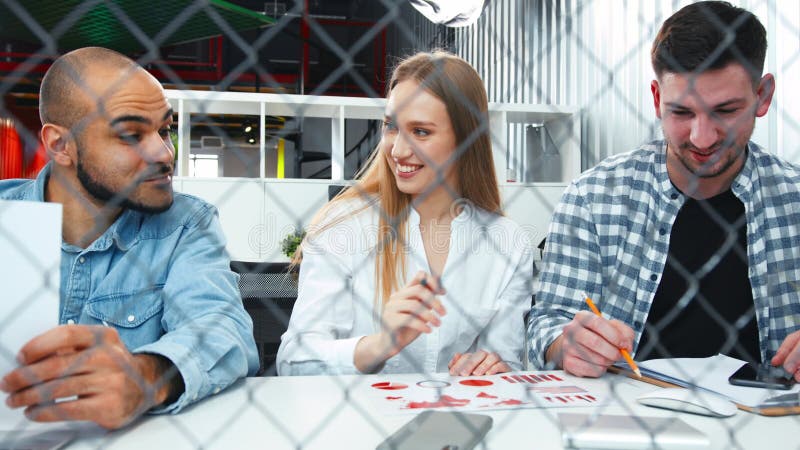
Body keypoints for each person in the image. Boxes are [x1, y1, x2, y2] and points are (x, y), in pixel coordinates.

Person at [529, 0, 800, 381]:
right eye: (682, 112)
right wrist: (565, 344)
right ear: (657, 99)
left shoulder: (794, 200)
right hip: (630, 417)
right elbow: (547, 321)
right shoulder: (594, 197)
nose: (702, 137)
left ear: (763, 96)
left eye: (725, 110)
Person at [0, 47, 259, 429]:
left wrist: (145, 378)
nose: (164, 152)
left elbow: (222, 328)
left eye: (165, 129)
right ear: (60, 145)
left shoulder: (186, 224)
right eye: (130, 134)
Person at [277, 51, 533, 376]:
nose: (397, 150)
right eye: (391, 127)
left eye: (421, 132)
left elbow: (505, 362)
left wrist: (492, 368)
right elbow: (293, 361)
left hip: (456, 422)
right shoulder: (343, 225)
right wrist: (379, 345)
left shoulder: (508, 244)